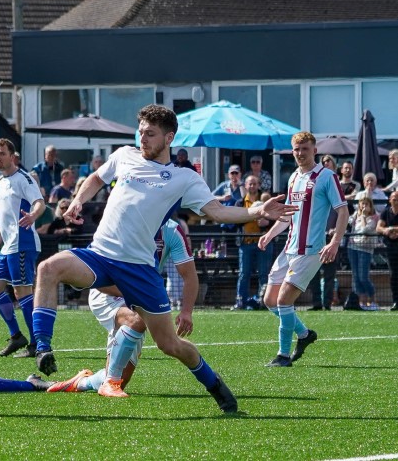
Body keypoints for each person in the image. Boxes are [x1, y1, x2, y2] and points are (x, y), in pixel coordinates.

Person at [31, 105, 296, 413]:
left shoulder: (184, 178)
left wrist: (257, 211)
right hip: (100, 256)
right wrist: (77, 200)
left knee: (170, 345)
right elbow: (95, 179)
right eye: (140, 131)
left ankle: (215, 385)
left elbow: (218, 212)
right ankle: (42, 347)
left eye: (150, 133)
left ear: (169, 137)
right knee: (48, 268)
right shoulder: (124, 156)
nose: (143, 138)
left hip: (139, 271)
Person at [47, 219, 198, 397]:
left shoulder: (172, 230)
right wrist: (135, 292)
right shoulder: (122, 220)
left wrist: (187, 311)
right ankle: (110, 382)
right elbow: (97, 280)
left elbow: (190, 275)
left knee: (122, 380)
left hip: (138, 297)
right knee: (137, 320)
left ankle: (82, 381)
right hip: (106, 293)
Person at [259, 131, 347, 367]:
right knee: (269, 300)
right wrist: (270, 233)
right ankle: (305, 334)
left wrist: (334, 242)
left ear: (314, 150)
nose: (300, 153)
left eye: (304, 149)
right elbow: (287, 217)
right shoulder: (294, 177)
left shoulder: (327, 176)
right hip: (289, 248)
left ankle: (283, 355)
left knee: (284, 301)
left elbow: (343, 211)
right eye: (296, 149)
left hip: (311, 251)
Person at [0, 138, 46, 359]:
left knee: (22, 292)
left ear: (12, 156)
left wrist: (33, 216)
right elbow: (7, 222)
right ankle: (17, 336)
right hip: (7, 246)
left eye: (1, 154)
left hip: (23, 245)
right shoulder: (1, 182)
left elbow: (39, 203)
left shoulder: (23, 179)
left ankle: (37, 343)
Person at [307, 155, 343, 310]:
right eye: (323, 163)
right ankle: (316, 303)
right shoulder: (315, 185)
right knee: (313, 274)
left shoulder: (336, 188)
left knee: (329, 275)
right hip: (315, 238)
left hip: (330, 239)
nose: (326, 165)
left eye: (329, 163)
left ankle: (326, 304)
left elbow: (343, 212)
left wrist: (335, 233)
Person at [233, 175, 274, 310]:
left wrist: (267, 222)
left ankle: (263, 302)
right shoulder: (240, 203)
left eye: (254, 184)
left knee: (264, 273)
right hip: (246, 243)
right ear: (245, 186)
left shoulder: (265, 200)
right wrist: (251, 215)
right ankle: (241, 302)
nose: (252, 186)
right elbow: (235, 221)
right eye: (249, 184)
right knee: (244, 273)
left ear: (258, 185)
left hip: (263, 243)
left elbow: (276, 218)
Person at [348, 196, 380, 310]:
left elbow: (365, 230)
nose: (364, 206)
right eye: (362, 204)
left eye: (366, 204)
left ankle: (372, 299)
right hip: (353, 247)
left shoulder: (374, 217)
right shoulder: (356, 215)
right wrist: (356, 216)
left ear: (371, 206)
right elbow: (349, 222)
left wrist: (363, 217)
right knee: (356, 277)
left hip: (365, 249)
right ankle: (361, 301)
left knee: (363, 277)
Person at [376, 190, 398, 311]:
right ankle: (396, 301)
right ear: (390, 200)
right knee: (394, 275)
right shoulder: (386, 212)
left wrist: (393, 229)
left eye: (397, 199)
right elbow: (378, 227)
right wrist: (386, 231)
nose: (395, 201)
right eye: (393, 199)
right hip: (390, 247)